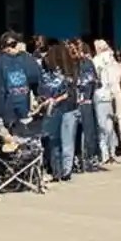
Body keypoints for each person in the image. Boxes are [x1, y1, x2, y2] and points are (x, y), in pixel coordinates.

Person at [40, 45, 76, 181]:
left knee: (59, 141)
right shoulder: (64, 72)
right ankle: (61, 171)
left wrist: (54, 100)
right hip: (63, 109)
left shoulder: (66, 73)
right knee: (61, 141)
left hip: (64, 109)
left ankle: (62, 171)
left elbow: (70, 93)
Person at [70, 39, 101, 172]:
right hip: (76, 102)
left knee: (88, 132)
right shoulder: (71, 64)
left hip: (84, 102)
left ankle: (89, 159)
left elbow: (92, 82)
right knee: (76, 133)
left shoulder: (86, 63)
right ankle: (78, 160)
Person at [0, 32, 38, 125]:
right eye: (7, 45)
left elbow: (35, 79)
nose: (10, 48)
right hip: (7, 108)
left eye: (13, 44)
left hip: (24, 106)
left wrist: (37, 99)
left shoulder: (26, 58)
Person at [92, 40, 120, 164]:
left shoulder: (110, 61)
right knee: (104, 126)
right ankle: (105, 154)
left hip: (107, 96)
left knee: (107, 126)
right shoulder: (97, 61)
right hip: (101, 96)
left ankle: (110, 153)